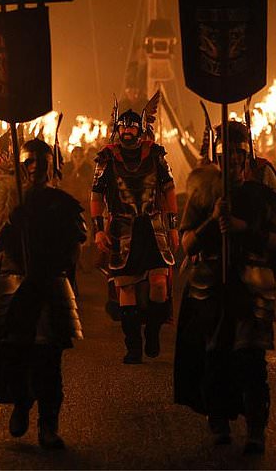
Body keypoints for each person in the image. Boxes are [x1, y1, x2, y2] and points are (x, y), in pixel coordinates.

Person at [0, 137, 84, 452]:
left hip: (49, 286)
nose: (36, 168)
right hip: (13, 285)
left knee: (49, 362)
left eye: (41, 162)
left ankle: (49, 427)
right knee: (15, 356)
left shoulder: (63, 203)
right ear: (22, 165)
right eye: (30, 162)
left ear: (51, 165)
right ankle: (21, 403)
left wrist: (57, 267)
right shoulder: (8, 200)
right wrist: (10, 223)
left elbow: (74, 246)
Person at [173, 121, 276, 454]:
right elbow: (187, 243)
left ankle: (255, 428)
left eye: (239, 152)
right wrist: (212, 222)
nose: (234, 159)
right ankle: (218, 418)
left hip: (249, 287)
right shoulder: (202, 193)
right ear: (217, 156)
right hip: (211, 287)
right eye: (228, 153)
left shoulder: (263, 196)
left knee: (250, 358)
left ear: (246, 156)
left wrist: (242, 227)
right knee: (214, 356)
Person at [89, 107, 176, 362]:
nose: (128, 131)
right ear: (118, 130)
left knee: (159, 284)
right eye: (124, 127)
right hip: (121, 227)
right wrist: (98, 231)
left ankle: (152, 331)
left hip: (152, 226)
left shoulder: (156, 155)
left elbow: (169, 191)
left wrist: (172, 226)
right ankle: (133, 346)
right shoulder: (107, 158)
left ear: (140, 129)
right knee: (125, 287)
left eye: (132, 127)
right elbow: (96, 196)